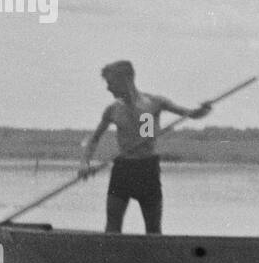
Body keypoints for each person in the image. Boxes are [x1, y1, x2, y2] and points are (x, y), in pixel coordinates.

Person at [79, 60, 212, 234]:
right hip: (123, 169)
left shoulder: (153, 103)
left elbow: (192, 115)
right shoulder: (113, 110)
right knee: (112, 227)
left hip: (147, 169)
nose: (108, 88)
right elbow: (94, 139)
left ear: (126, 79)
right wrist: (85, 163)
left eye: (111, 83)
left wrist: (204, 109)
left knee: (153, 229)